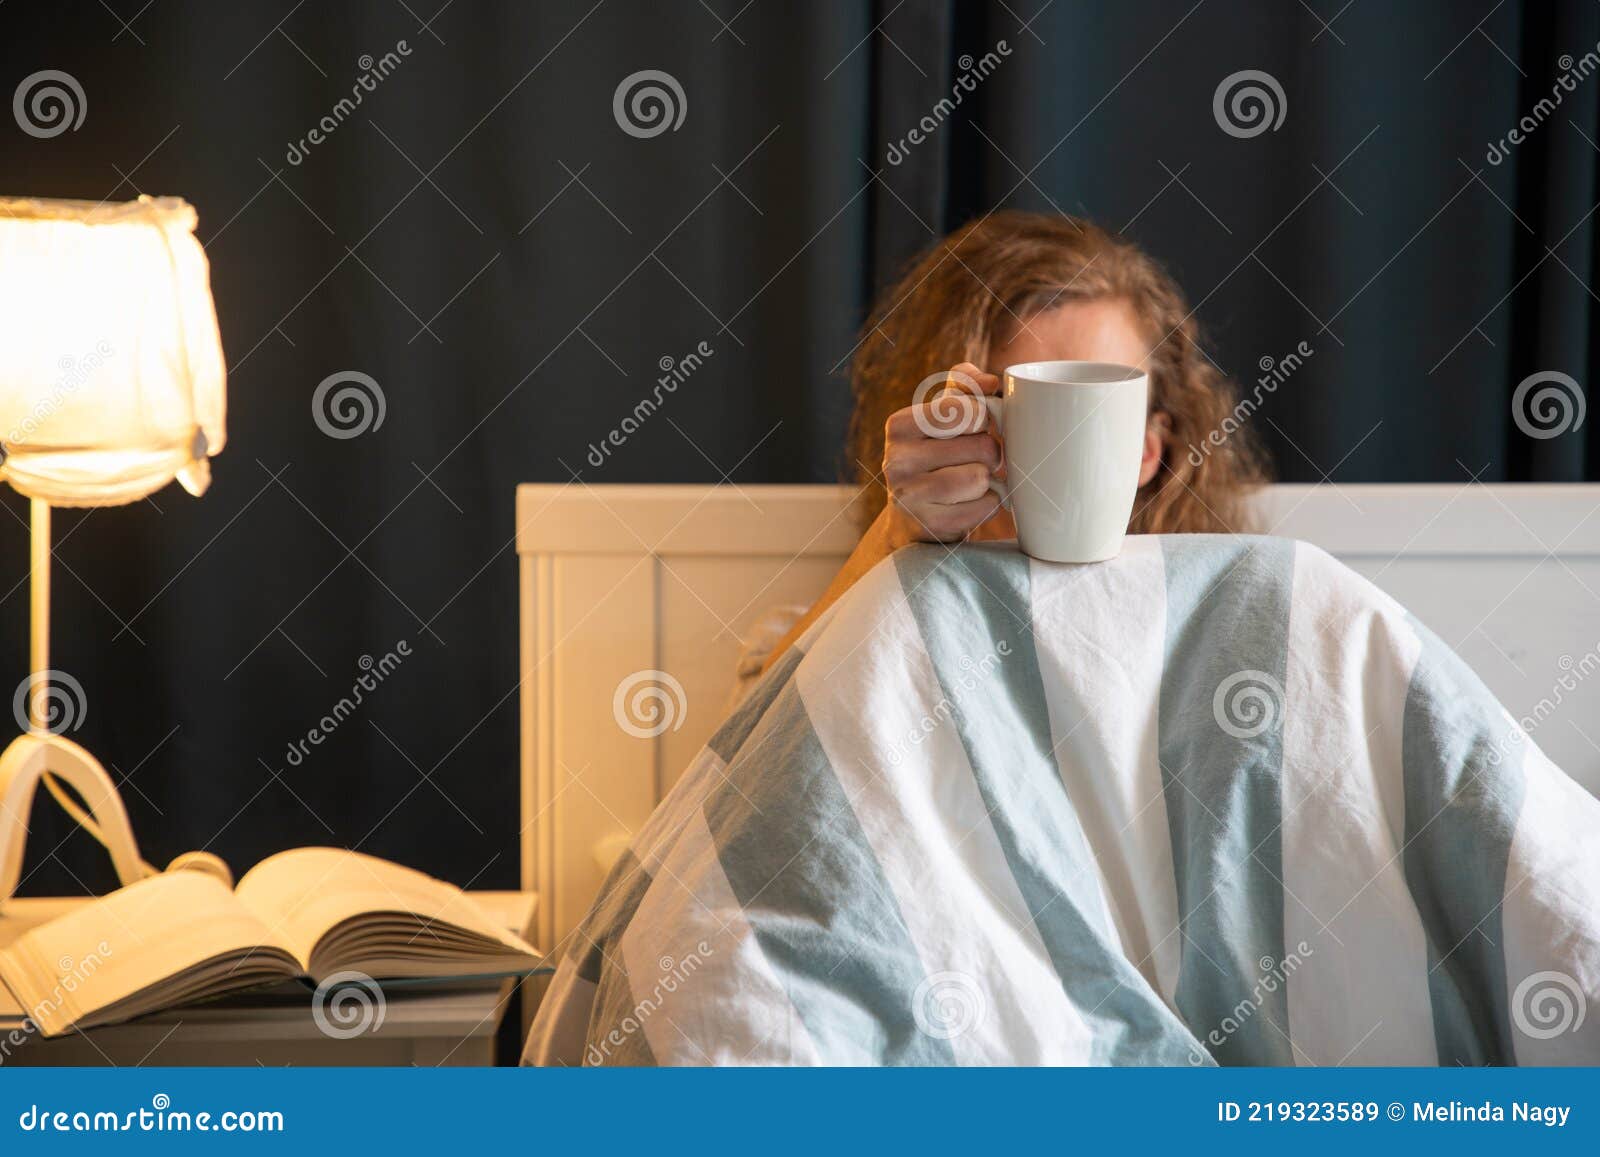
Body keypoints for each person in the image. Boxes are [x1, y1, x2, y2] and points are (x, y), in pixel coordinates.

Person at [757, 210, 1271, 673]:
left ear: (1147, 450)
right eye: (1018, 401)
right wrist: (890, 542)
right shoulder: (823, 637)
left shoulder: (1225, 637)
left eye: (1097, 402)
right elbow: (750, 763)